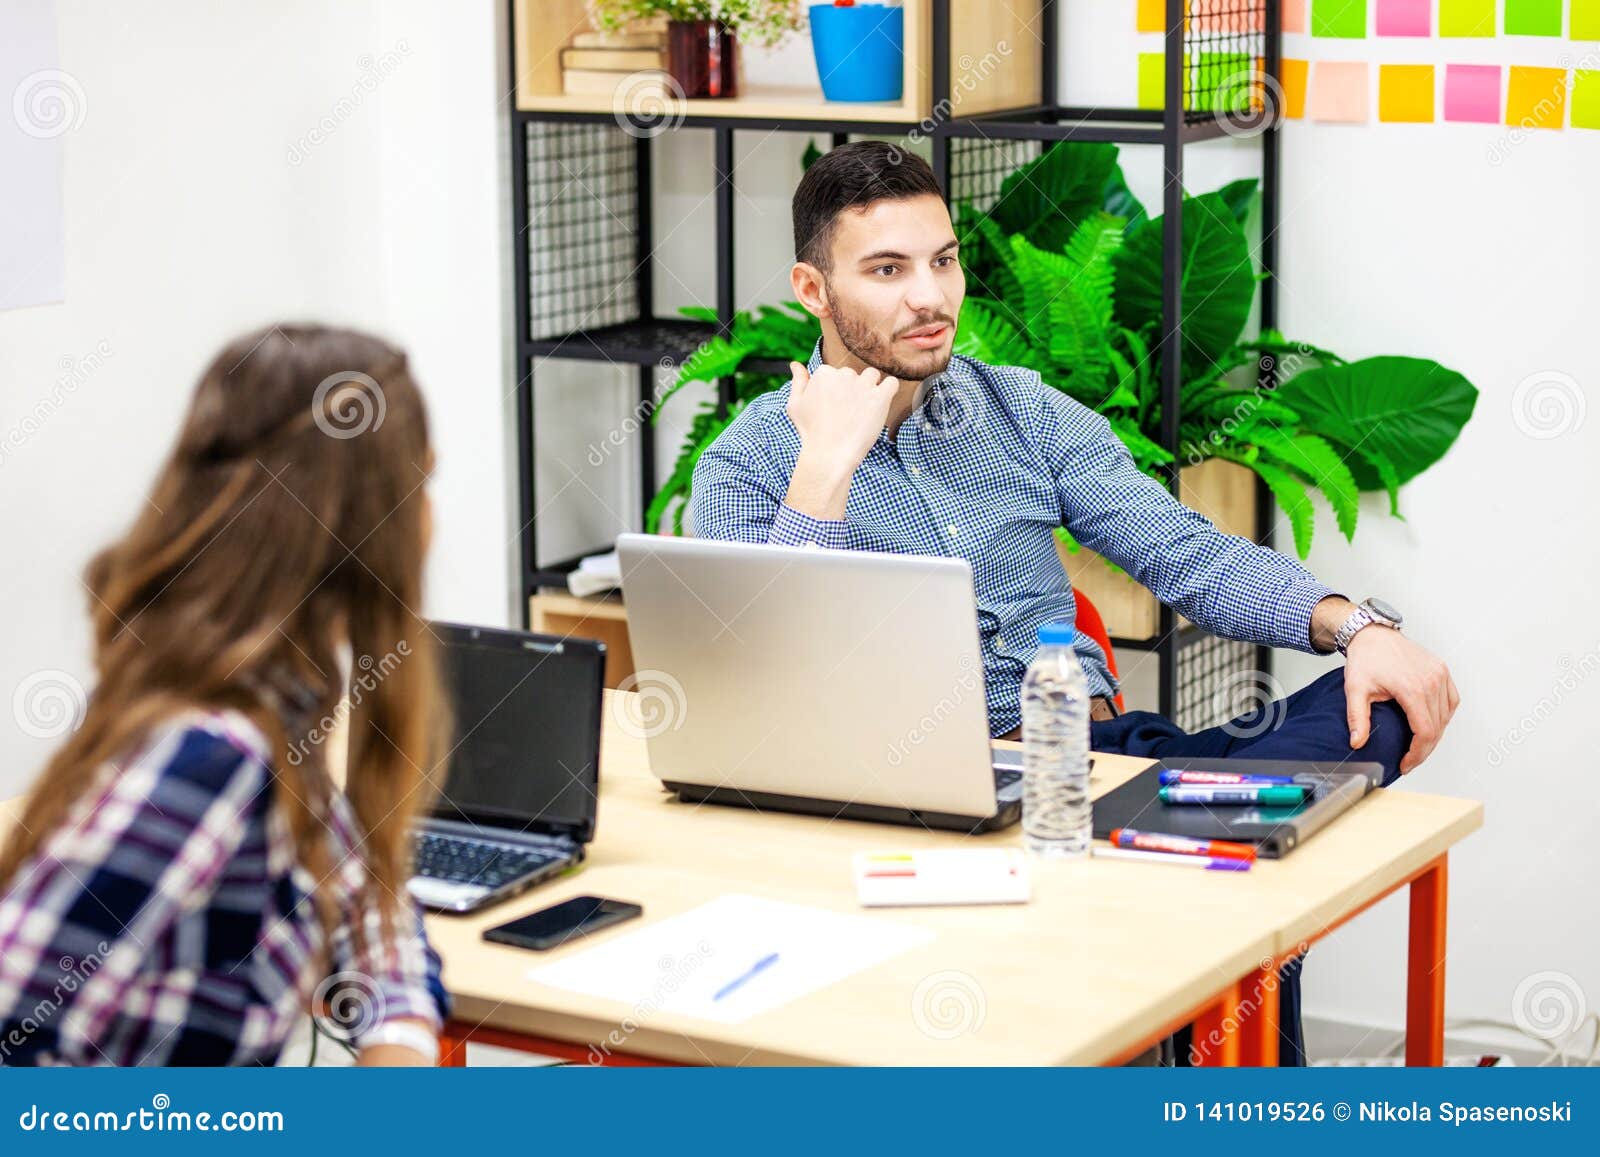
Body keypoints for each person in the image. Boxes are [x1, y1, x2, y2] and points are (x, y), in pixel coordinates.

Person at [689, 140, 1461, 1064]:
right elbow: (759, 692)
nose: (929, 297)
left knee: (1361, 718)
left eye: (942, 260)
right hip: (909, 798)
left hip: (1096, 765)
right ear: (813, 290)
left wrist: (1359, 626)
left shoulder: (1024, 410)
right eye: (887, 270)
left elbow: (1187, 557)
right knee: (1248, 875)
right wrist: (823, 472)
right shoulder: (748, 465)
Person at [0, 324, 451, 1066]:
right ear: (361, 522)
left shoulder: (278, 711)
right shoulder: (212, 760)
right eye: (421, 481)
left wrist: (398, 1038)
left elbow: (376, 924)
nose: (432, 515)